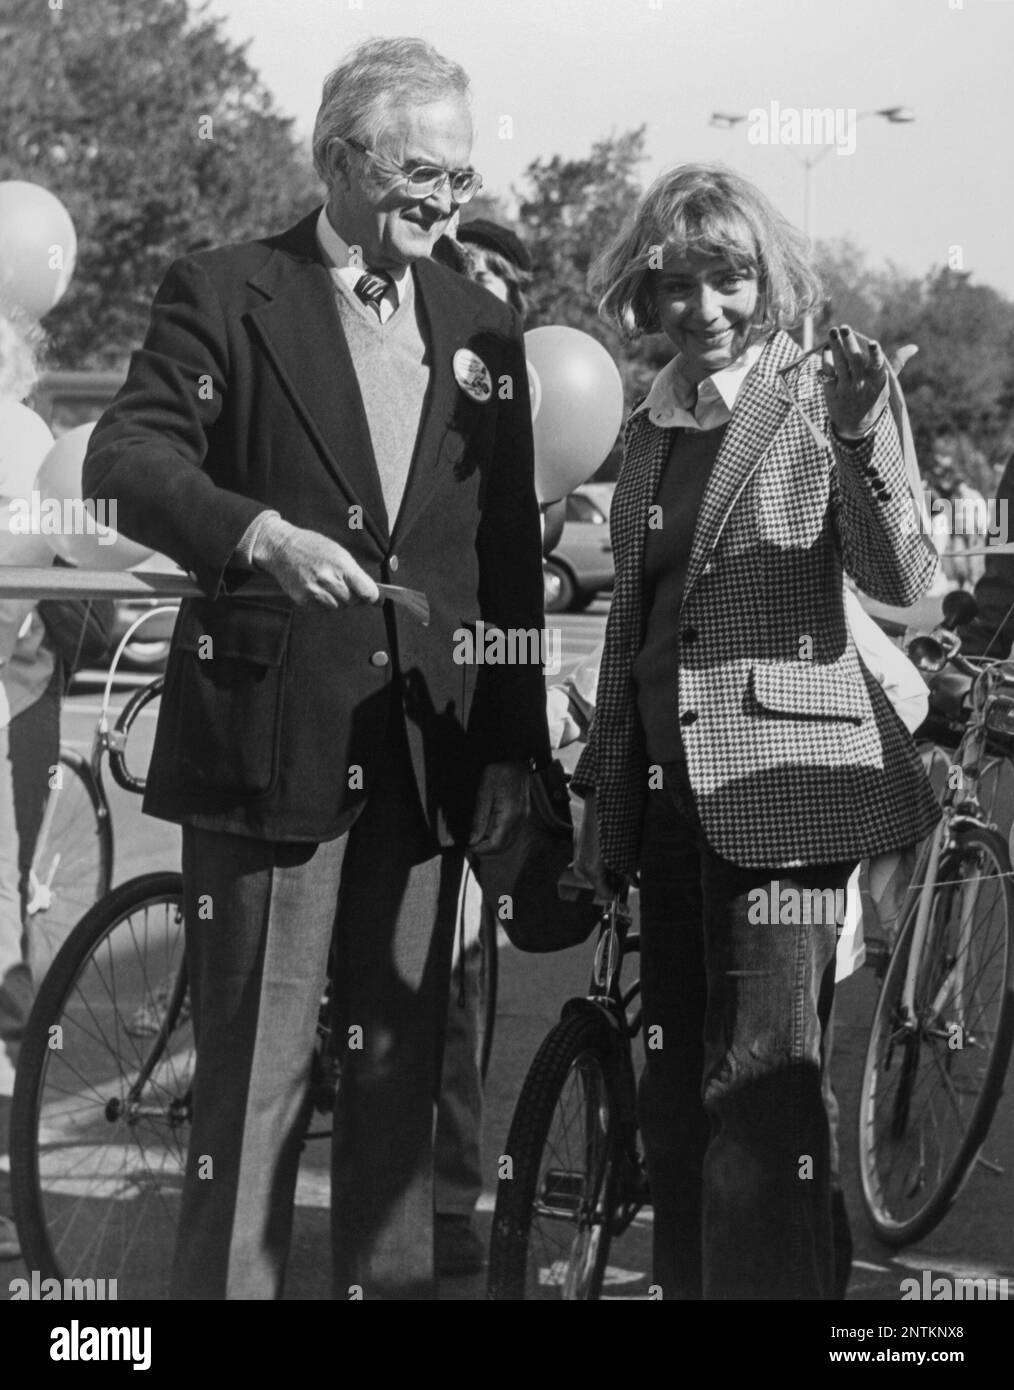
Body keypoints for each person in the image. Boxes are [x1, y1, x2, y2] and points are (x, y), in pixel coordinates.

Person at [82, 36, 549, 1301]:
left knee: (400, 1069)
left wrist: (512, 748)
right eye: (418, 176)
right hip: (268, 751)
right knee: (252, 1088)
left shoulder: (484, 328)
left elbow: (504, 555)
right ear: (339, 159)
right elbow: (122, 457)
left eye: (459, 181)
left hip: (423, 752)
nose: (445, 205)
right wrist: (254, 532)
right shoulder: (227, 290)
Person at [572, 163, 940, 1300]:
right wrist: (605, 798)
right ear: (646, 292)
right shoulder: (654, 422)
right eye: (677, 284)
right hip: (672, 798)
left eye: (728, 278)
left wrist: (858, 433)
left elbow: (906, 580)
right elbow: (636, 624)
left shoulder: (819, 394)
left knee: (756, 1091)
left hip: (788, 797)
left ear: (769, 275)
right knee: (679, 1104)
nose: (705, 308)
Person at [429, 220, 534, 1275]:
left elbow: (512, 545)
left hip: (461, 711)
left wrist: (514, 739)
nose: (488, 288)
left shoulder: (509, 375)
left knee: (451, 975)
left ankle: (450, 1192)